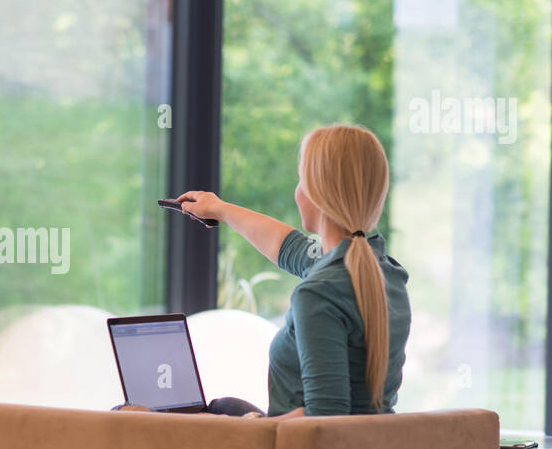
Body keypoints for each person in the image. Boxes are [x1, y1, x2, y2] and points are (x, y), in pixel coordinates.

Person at [176, 123, 410, 420]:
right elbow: (287, 246)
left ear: (316, 194)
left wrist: (250, 428)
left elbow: (324, 419)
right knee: (222, 406)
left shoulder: (319, 293)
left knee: (142, 416)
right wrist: (220, 209)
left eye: (301, 180)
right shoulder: (386, 274)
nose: (297, 191)